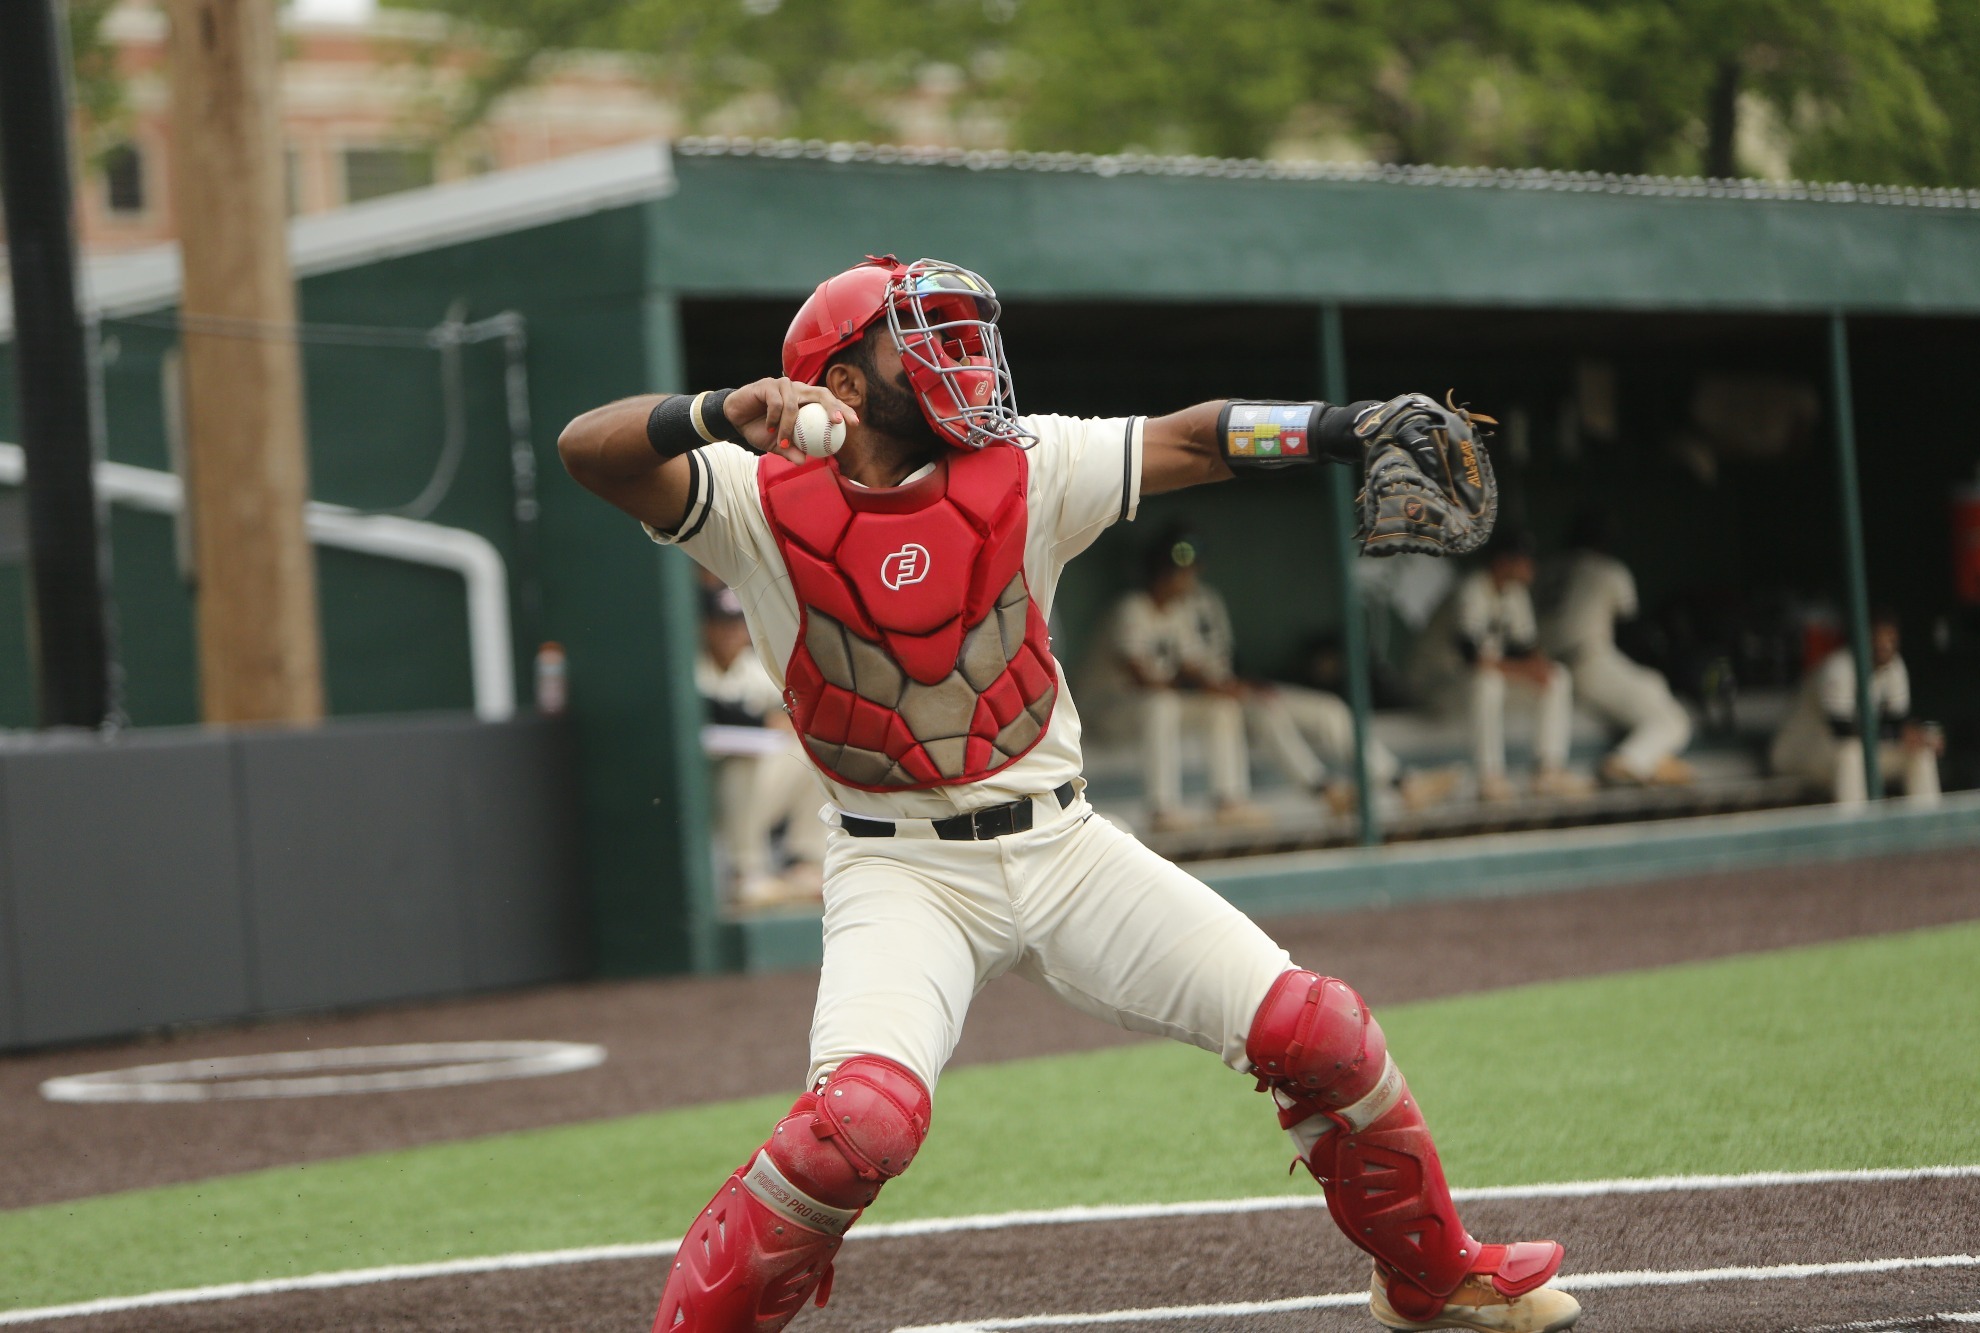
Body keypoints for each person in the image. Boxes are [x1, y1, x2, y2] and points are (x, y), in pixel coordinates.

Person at [558, 255, 1579, 1333]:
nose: (966, 358)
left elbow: (1193, 438)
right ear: (843, 386)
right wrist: (716, 411)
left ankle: (1429, 1278)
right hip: (898, 866)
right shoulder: (750, 496)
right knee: (855, 1125)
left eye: (965, 331)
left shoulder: (1026, 463)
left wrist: (1337, 425)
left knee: (1318, 1032)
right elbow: (588, 449)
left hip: (1066, 846)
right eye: (926, 337)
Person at [1162, 534, 1463, 815]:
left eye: (1192, 566)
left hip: (1235, 689)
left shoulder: (1206, 599)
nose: (1188, 574)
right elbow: (1179, 672)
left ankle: (1404, 782)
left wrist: (1244, 683)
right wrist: (1228, 688)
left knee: (1330, 710)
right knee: (1266, 710)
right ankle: (1325, 790)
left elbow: (1230, 659)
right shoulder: (1153, 611)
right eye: (1179, 568)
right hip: (1205, 702)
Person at [1086, 529, 1271, 832]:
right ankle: (1162, 809)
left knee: (1220, 708)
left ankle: (1229, 801)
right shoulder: (1131, 608)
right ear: (1163, 576)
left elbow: (1192, 667)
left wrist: (1224, 689)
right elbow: (1140, 676)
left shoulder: (1176, 613)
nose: (1190, 582)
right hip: (1108, 712)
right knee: (1162, 703)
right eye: (1183, 575)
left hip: (1150, 709)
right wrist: (1191, 686)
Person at [1412, 532, 1593, 803]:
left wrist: (1539, 667)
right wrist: (1525, 670)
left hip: (1475, 684)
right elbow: (1473, 659)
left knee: (1557, 677)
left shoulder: (1515, 593)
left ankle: (1549, 771)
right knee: (1488, 682)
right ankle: (1490, 777)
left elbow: (1526, 647)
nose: (1530, 567)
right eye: (1524, 560)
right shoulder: (1472, 589)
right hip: (1438, 685)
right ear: (1503, 562)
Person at [695, 582, 829, 907]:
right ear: (705, 627)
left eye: (735, 625)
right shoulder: (693, 666)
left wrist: (783, 718)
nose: (730, 634)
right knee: (743, 760)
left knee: (812, 751)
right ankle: (745, 872)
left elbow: (793, 706)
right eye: (722, 624)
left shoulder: (751, 667)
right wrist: (758, 720)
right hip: (703, 793)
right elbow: (710, 705)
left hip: (752, 795)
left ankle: (804, 862)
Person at [1542, 518, 1695, 787]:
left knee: (1653, 684)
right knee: (1674, 720)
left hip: (1546, 669)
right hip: (1588, 662)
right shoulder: (1608, 569)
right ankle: (1631, 760)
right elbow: (1631, 631)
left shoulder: (1545, 570)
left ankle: (1653, 761)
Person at [1771, 605, 1943, 808]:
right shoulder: (1839, 666)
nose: (1885, 645)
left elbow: (1896, 721)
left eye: (1890, 639)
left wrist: (1921, 734)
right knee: (1850, 753)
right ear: (1863, 638)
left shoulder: (1895, 667)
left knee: (1920, 751)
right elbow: (1841, 729)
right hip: (1801, 750)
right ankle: (1856, 825)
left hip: (1851, 749)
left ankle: (1930, 823)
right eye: (1878, 638)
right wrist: (1900, 733)